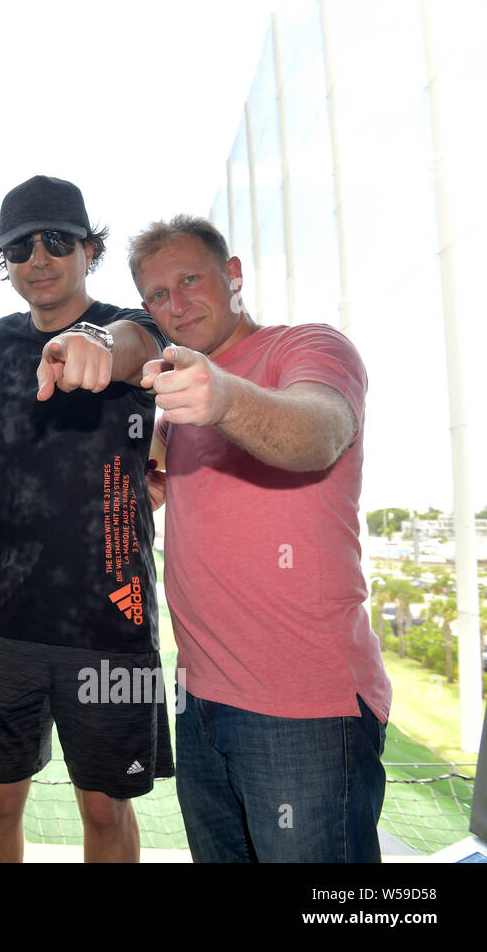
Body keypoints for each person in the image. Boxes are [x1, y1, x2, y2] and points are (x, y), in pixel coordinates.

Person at [0, 176, 173, 862]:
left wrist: (95, 342)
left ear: (90, 249)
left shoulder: (135, 324)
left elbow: (137, 345)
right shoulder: (1, 339)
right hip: (9, 624)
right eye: (20, 247)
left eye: (57, 240)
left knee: (105, 811)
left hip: (113, 622)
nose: (39, 258)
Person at [128, 214, 391, 862]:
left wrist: (222, 398)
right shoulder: (181, 399)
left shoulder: (308, 347)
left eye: (191, 280)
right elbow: (152, 484)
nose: (176, 304)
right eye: (157, 294)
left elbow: (319, 430)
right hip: (199, 702)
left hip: (304, 710)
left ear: (234, 275)